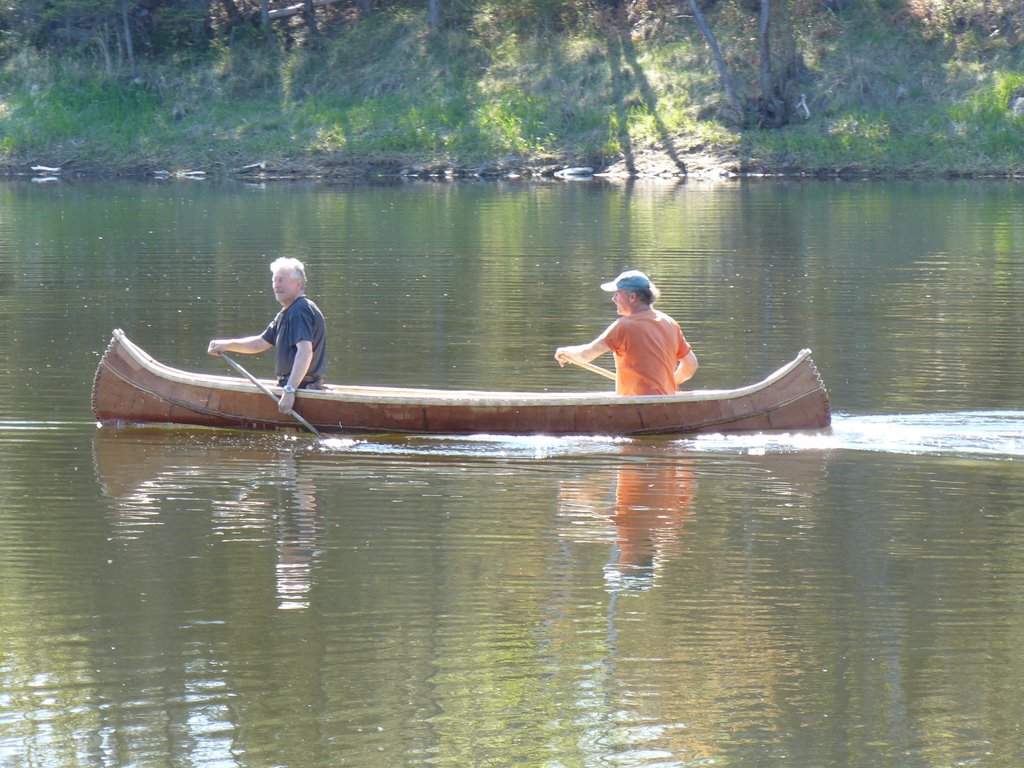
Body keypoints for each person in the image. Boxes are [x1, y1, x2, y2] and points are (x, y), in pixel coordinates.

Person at [208, 257, 326, 414]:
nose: (276, 285)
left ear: (298, 284)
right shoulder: (287, 313)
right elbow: (259, 344)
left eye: (282, 280)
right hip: (297, 386)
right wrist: (226, 345)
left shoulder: (300, 310)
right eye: (274, 280)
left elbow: (305, 352)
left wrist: (290, 391)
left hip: (301, 389)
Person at [554, 269, 697, 396]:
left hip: (635, 405)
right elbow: (691, 366)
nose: (613, 299)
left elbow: (586, 355)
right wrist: (670, 383)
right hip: (665, 401)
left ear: (632, 297)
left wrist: (565, 352)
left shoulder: (623, 326)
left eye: (617, 294)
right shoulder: (670, 323)